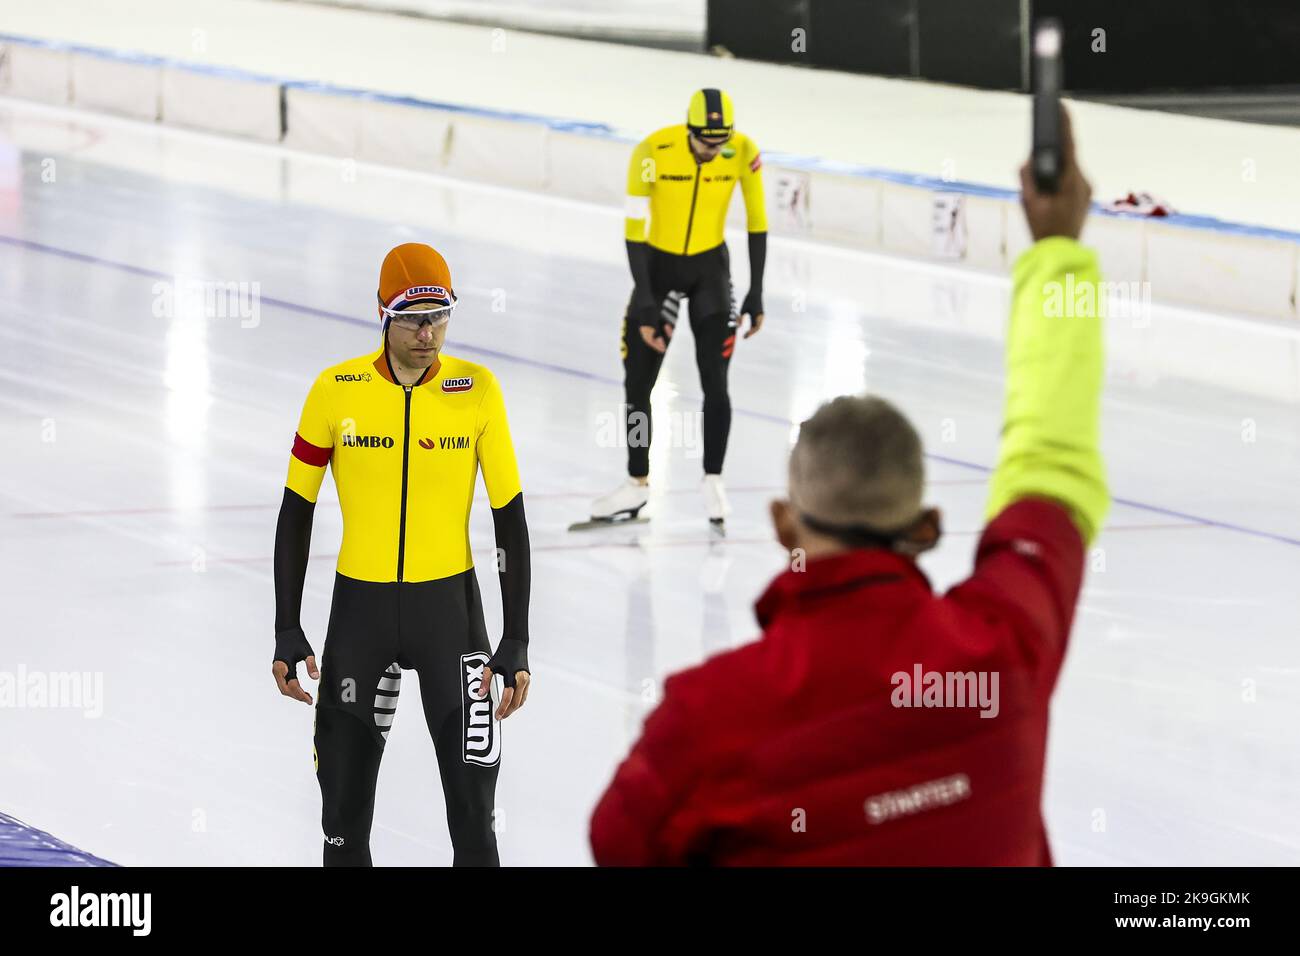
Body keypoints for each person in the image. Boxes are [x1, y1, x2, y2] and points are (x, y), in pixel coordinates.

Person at [589, 108, 1107, 865]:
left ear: (783, 525)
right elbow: (1054, 461)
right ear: (927, 528)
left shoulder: (708, 716)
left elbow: (618, 845)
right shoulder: (1005, 651)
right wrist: (1058, 249)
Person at [272, 243, 532, 867]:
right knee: (342, 824)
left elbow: (510, 522)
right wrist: (286, 627)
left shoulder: (478, 391)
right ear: (382, 314)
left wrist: (516, 637)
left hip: (450, 618)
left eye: (439, 316)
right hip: (359, 617)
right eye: (413, 318)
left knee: (475, 823)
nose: (427, 333)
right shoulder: (335, 391)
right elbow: (295, 514)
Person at [589, 88, 768, 528]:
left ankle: (713, 479)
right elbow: (633, 231)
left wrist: (756, 291)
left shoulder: (741, 150)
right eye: (705, 142)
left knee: (716, 381)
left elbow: (758, 223)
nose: (713, 150)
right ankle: (636, 484)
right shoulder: (652, 151)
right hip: (660, 271)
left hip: (710, 273)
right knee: (637, 384)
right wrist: (646, 299)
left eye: (719, 142)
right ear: (689, 131)